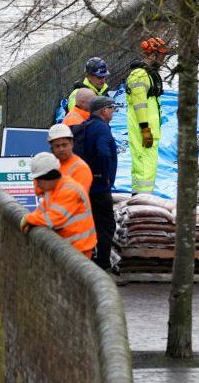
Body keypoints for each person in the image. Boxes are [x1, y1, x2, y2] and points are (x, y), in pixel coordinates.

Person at [20, 152, 96, 258]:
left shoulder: (69, 190)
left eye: (38, 180)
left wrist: (29, 219)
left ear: (49, 177)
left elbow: (54, 218)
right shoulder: (52, 189)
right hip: (69, 244)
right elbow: (42, 210)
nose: (37, 184)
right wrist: (32, 219)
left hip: (80, 246)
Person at [72, 96, 118, 270]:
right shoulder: (102, 129)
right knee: (106, 224)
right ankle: (103, 260)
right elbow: (104, 153)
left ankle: (89, 255)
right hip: (100, 186)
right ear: (103, 111)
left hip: (87, 183)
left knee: (90, 221)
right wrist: (105, 176)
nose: (113, 111)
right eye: (111, 108)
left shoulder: (87, 125)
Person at [126, 37, 167, 195]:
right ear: (153, 55)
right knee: (143, 166)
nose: (163, 59)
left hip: (150, 131)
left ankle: (144, 198)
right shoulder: (139, 76)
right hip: (144, 131)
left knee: (148, 167)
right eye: (162, 55)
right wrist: (145, 129)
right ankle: (140, 199)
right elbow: (140, 105)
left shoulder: (148, 74)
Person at [45, 124, 92, 192]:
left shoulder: (81, 168)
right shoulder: (49, 166)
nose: (61, 149)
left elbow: (75, 197)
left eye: (64, 145)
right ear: (52, 147)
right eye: (57, 146)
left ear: (72, 143)